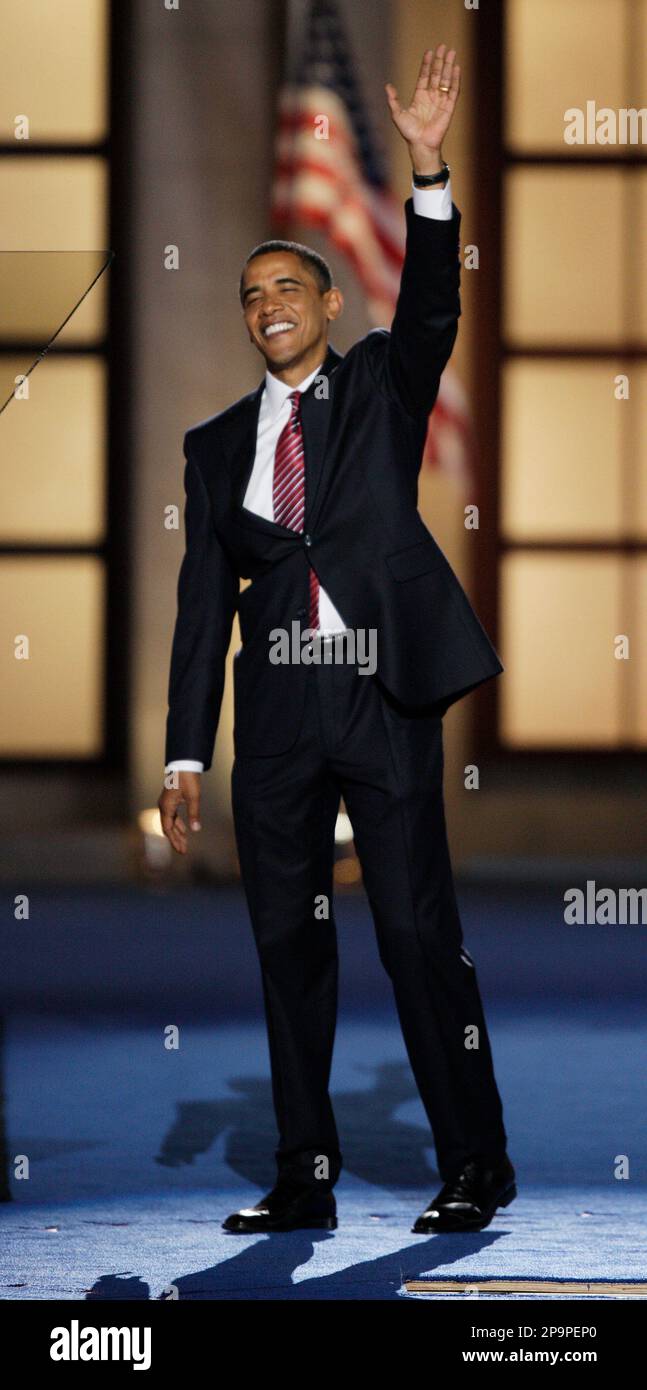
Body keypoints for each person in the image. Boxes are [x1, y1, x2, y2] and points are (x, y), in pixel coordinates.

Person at [159, 45, 515, 1235]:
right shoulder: (216, 449)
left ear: (323, 303)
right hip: (274, 727)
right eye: (249, 294)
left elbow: (430, 306)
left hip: (380, 697)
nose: (265, 307)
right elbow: (200, 608)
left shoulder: (376, 389)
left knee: (418, 934)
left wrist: (424, 169)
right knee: (286, 948)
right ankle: (303, 1174)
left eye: (285, 289)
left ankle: (473, 1159)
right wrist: (182, 756)